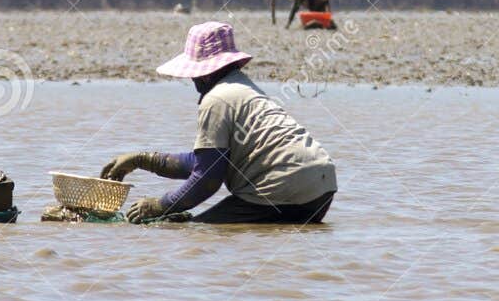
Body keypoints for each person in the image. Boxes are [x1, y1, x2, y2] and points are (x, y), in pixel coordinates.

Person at [99, 20, 337, 224]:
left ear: (206, 72)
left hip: (281, 189)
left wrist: (162, 205)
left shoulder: (216, 100)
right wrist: (143, 160)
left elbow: (207, 178)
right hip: (321, 190)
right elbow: (206, 162)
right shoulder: (243, 88)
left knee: (197, 228)